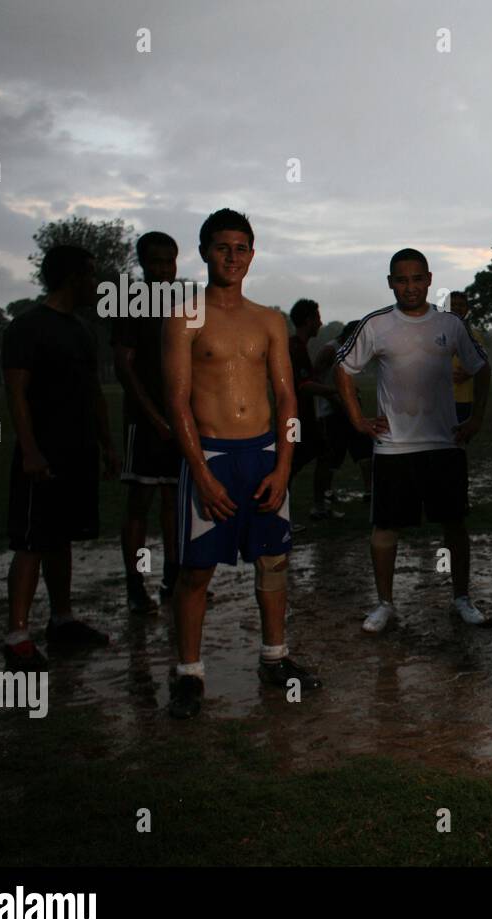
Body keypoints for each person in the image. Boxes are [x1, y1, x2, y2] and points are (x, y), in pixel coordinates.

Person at [162, 209, 321, 719]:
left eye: (242, 247)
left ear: (253, 254)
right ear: (205, 251)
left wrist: (283, 466)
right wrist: (202, 474)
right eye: (222, 247)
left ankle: (275, 658)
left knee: (273, 563)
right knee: (195, 572)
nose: (233, 256)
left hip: (264, 455)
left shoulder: (269, 320)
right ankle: (189, 673)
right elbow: (178, 402)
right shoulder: (184, 316)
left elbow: (288, 400)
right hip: (211, 456)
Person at [334, 249, 492, 633]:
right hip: (395, 446)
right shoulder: (376, 325)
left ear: (429, 279)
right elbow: (343, 368)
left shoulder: (451, 324)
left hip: (443, 443)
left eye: (417, 278)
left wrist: (475, 418)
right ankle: (385, 604)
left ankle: (461, 598)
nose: (410, 286)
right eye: (401, 279)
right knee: (386, 527)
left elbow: (481, 367)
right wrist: (357, 419)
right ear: (391, 282)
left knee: (454, 524)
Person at [1, 245, 118, 671]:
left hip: (78, 450)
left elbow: (94, 393)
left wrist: (107, 445)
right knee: (32, 540)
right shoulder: (27, 328)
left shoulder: (82, 331)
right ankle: (17, 636)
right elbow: (16, 393)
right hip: (42, 453)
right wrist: (30, 450)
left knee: (61, 536)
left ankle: (61, 620)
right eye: (90, 275)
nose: (95, 282)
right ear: (72, 278)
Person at [114, 231, 182, 614]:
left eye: (167, 262)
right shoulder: (130, 301)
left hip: (178, 422)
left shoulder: (182, 304)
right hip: (144, 423)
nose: (161, 270)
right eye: (153, 262)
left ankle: (172, 577)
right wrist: (154, 417)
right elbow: (123, 365)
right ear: (141, 264)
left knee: (173, 501)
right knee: (139, 502)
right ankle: (136, 583)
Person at [285, 298, 339, 519]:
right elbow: (304, 385)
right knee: (290, 464)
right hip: (297, 419)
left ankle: (317, 506)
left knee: (320, 454)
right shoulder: (295, 348)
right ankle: (282, 512)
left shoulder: (298, 347)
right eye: (317, 317)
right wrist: (333, 392)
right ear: (308, 320)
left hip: (304, 417)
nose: (320, 322)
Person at [315, 321, 373, 503]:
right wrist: (333, 397)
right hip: (333, 410)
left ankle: (370, 491)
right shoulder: (330, 350)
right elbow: (315, 377)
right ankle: (326, 492)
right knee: (333, 454)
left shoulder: (352, 350)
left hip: (350, 406)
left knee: (364, 448)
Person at [449, 291, 486, 424]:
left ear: (467, 309)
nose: (457, 308)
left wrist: (470, 372)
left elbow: (483, 365)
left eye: (461, 305)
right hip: (440, 398)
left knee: (459, 437)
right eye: (452, 305)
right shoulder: (436, 332)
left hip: (463, 397)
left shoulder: (475, 335)